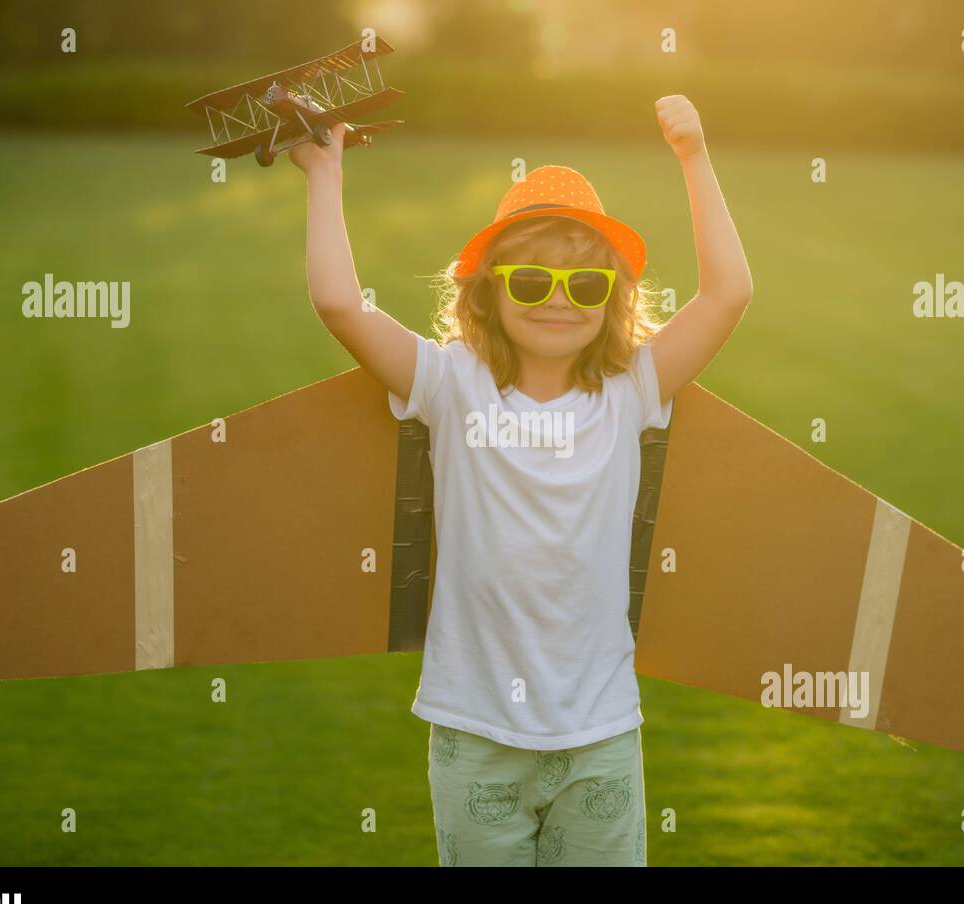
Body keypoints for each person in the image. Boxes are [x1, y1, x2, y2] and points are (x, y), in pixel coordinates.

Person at [291, 95, 753, 865]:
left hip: (600, 732)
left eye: (586, 285)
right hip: (474, 731)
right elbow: (339, 302)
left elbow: (728, 295)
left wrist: (695, 155)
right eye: (533, 283)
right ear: (490, 291)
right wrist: (323, 171)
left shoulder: (631, 390)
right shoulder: (449, 383)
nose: (560, 302)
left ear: (613, 302)